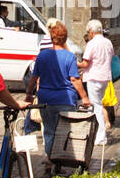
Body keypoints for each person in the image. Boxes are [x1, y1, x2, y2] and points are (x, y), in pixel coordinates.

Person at [26, 21, 90, 158]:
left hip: (46, 99)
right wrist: (84, 97)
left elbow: (34, 77)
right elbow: (74, 79)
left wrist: (28, 95)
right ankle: (62, 158)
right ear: (65, 38)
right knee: (65, 131)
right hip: (65, 99)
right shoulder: (69, 57)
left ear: (51, 38)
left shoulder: (42, 56)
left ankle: (49, 159)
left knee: (49, 131)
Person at [77, 19, 114, 147]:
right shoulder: (108, 42)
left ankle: (100, 136)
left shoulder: (92, 44)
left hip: (94, 77)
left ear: (91, 32)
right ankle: (94, 133)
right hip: (105, 77)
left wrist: (74, 63)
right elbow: (111, 56)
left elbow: (85, 63)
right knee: (97, 105)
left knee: (96, 106)